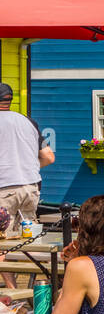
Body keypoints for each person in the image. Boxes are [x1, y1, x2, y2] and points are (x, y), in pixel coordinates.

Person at [0, 81, 54, 288]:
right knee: (29, 240)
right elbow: (48, 157)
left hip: (4, 188)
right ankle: (43, 286)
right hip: (31, 187)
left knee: (2, 244)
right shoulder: (27, 122)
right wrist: (24, 167)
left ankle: (14, 295)